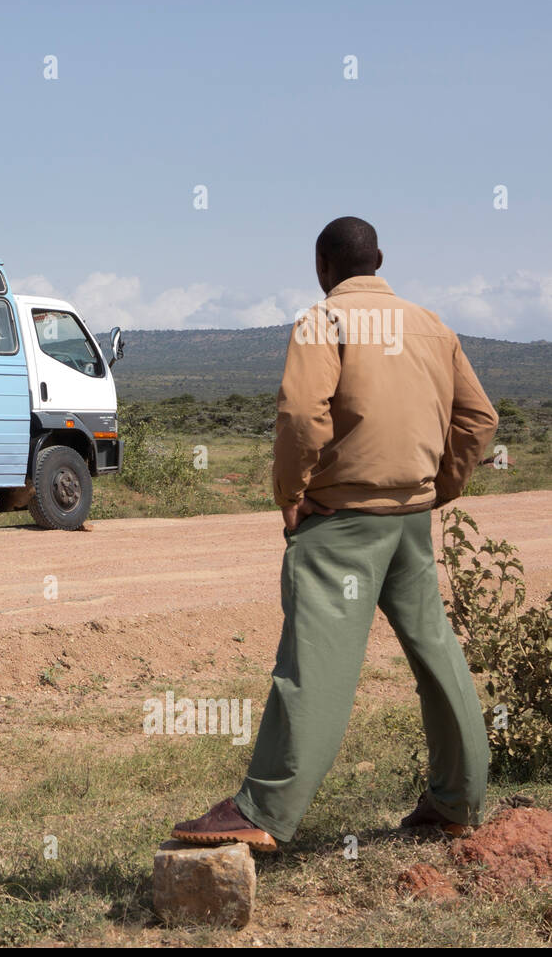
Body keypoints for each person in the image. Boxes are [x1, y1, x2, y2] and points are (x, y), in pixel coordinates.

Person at [170, 217, 499, 853]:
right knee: (437, 654)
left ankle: (264, 810)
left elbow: (300, 414)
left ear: (324, 267)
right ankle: (459, 802)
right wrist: (440, 487)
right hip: (410, 519)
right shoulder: (431, 324)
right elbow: (480, 419)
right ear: (379, 259)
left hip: (341, 521)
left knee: (313, 666)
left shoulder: (324, 321)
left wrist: (291, 494)